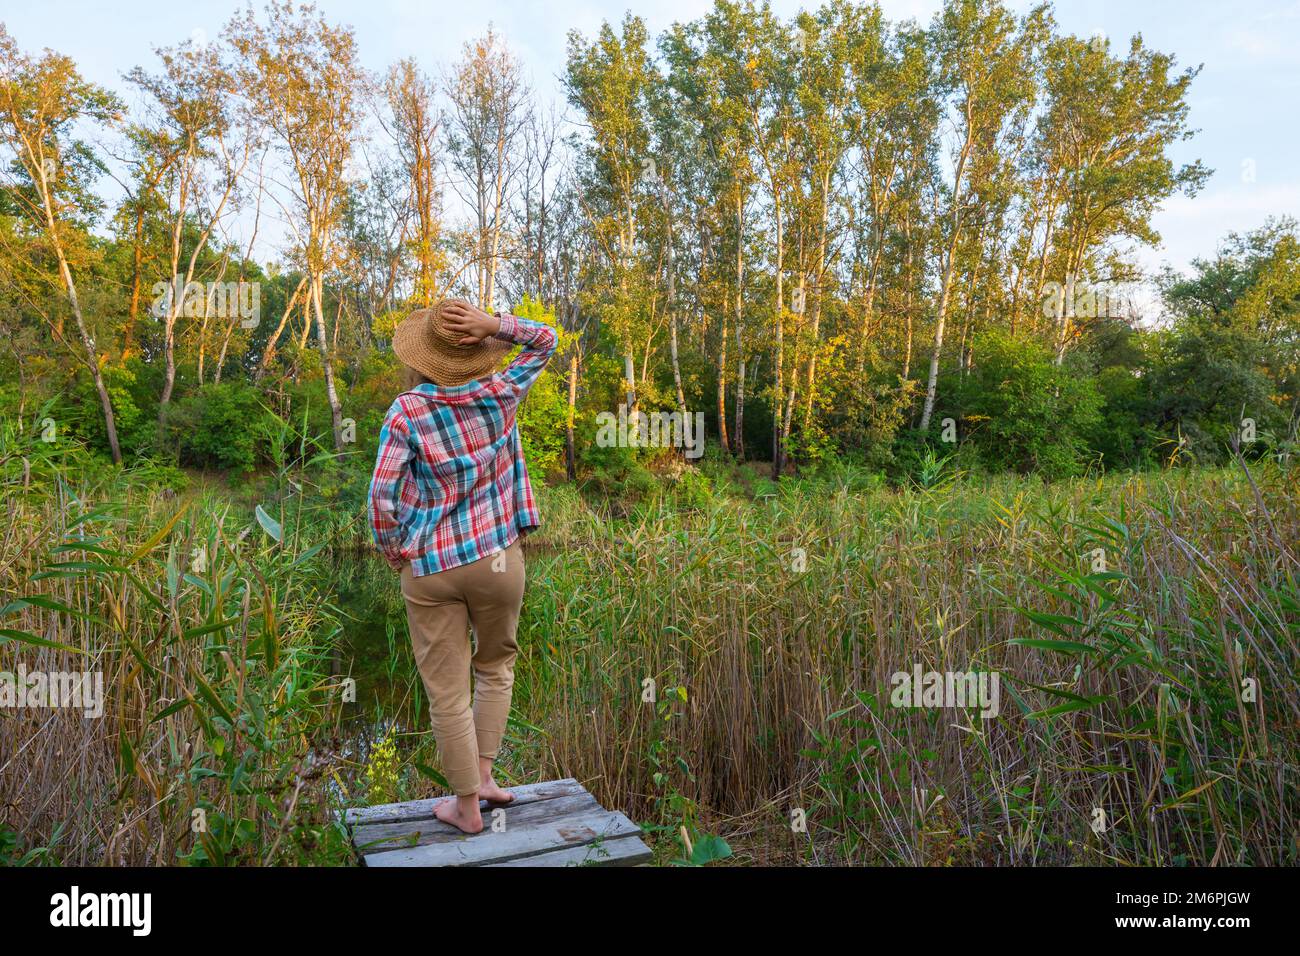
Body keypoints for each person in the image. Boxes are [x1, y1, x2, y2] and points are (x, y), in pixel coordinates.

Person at [368, 298, 557, 834]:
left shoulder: (406, 410)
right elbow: (547, 339)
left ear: (423, 356)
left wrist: (393, 550)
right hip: (497, 558)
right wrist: (496, 325)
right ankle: (485, 780)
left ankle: (468, 807)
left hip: (431, 565)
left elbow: (382, 493)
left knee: (447, 691)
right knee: (495, 667)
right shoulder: (502, 393)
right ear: (478, 350)